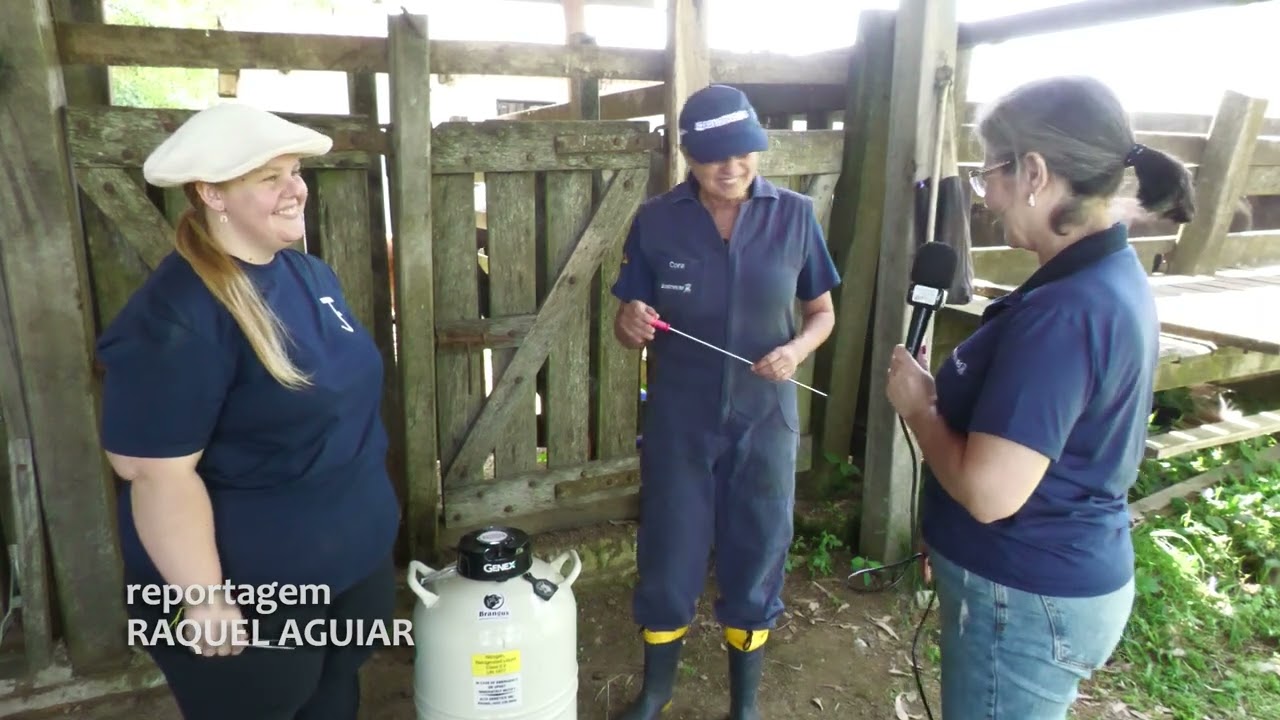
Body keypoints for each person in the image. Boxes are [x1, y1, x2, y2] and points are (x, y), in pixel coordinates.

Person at [885, 75, 1195, 720]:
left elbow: (990, 493)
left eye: (988, 175)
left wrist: (920, 408)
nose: (986, 199)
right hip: (1038, 579)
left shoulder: (1065, 314)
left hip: (1025, 596)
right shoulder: (1101, 274)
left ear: (1033, 173)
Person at [95, 102, 401, 720]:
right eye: (269, 177)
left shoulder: (310, 274)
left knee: (333, 699)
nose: (296, 190)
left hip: (349, 565)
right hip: (257, 593)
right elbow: (152, 472)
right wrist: (204, 599)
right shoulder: (177, 315)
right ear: (212, 194)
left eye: (295, 172)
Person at [609, 84, 841, 719]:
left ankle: (745, 704)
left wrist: (796, 350)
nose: (732, 167)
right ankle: (656, 691)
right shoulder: (657, 219)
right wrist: (629, 322)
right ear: (689, 155)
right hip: (679, 420)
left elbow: (822, 313)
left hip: (765, 420)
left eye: (744, 152)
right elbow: (629, 322)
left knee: (758, 551)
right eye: (715, 156)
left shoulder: (795, 216)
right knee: (669, 552)